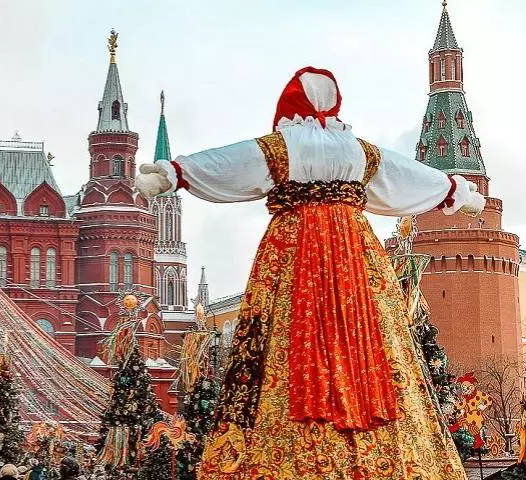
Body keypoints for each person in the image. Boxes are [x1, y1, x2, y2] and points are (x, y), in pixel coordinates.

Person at [135, 66, 480, 479]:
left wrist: (175, 173)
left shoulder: (283, 147)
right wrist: (456, 190)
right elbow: (404, 175)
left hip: (293, 254)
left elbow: (232, 162)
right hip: (356, 258)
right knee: (372, 337)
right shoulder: (356, 150)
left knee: (285, 336)